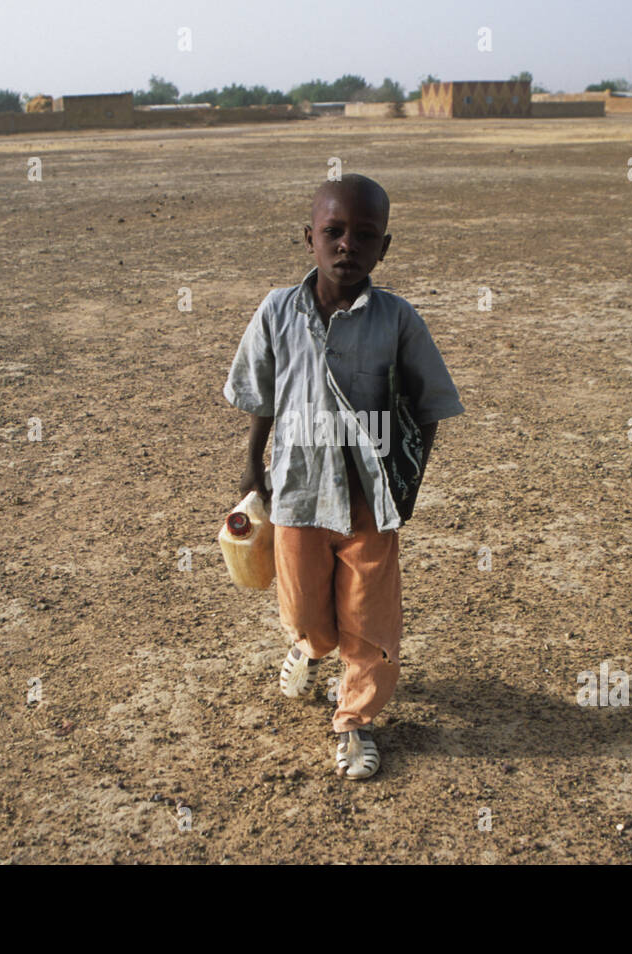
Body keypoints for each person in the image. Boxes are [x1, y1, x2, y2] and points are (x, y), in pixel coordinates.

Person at [223, 174, 464, 779]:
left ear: (385, 247)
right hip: (298, 493)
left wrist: (406, 483)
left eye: (365, 236)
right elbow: (262, 396)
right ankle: (307, 650)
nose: (347, 247)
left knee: (368, 616)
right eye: (334, 232)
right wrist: (254, 468)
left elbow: (430, 403)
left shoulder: (397, 320)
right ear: (310, 237)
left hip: (368, 500)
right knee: (306, 610)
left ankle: (354, 722)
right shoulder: (278, 310)